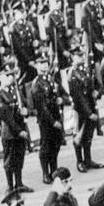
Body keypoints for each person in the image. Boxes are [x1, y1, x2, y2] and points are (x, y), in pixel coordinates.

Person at [29, 53, 67, 183]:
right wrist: (53, 121)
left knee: (55, 145)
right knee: (46, 147)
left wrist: (61, 99)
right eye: (41, 64)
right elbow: (41, 107)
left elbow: (59, 93)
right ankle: (45, 173)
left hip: (55, 116)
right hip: (46, 120)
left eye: (46, 63)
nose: (44, 66)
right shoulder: (37, 84)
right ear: (37, 66)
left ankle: (54, 171)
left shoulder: (51, 79)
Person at [0, 65, 31, 195]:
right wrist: (18, 130)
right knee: (9, 160)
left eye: (12, 75)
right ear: (0, 77)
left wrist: (27, 111)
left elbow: (25, 104)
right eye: (7, 75)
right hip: (9, 132)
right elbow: (5, 116)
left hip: (20, 128)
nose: (11, 78)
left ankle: (19, 183)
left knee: (19, 157)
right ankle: (10, 186)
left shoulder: (16, 90)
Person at [67, 44, 103, 172]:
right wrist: (88, 113)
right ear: (72, 57)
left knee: (88, 135)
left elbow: (96, 84)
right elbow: (78, 97)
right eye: (78, 56)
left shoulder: (86, 70)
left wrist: (97, 92)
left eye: (82, 55)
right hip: (80, 110)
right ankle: (80, 161)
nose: (81, 58)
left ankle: (88, 159)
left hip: (90, 105)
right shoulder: (72, 74)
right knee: (79, 137)